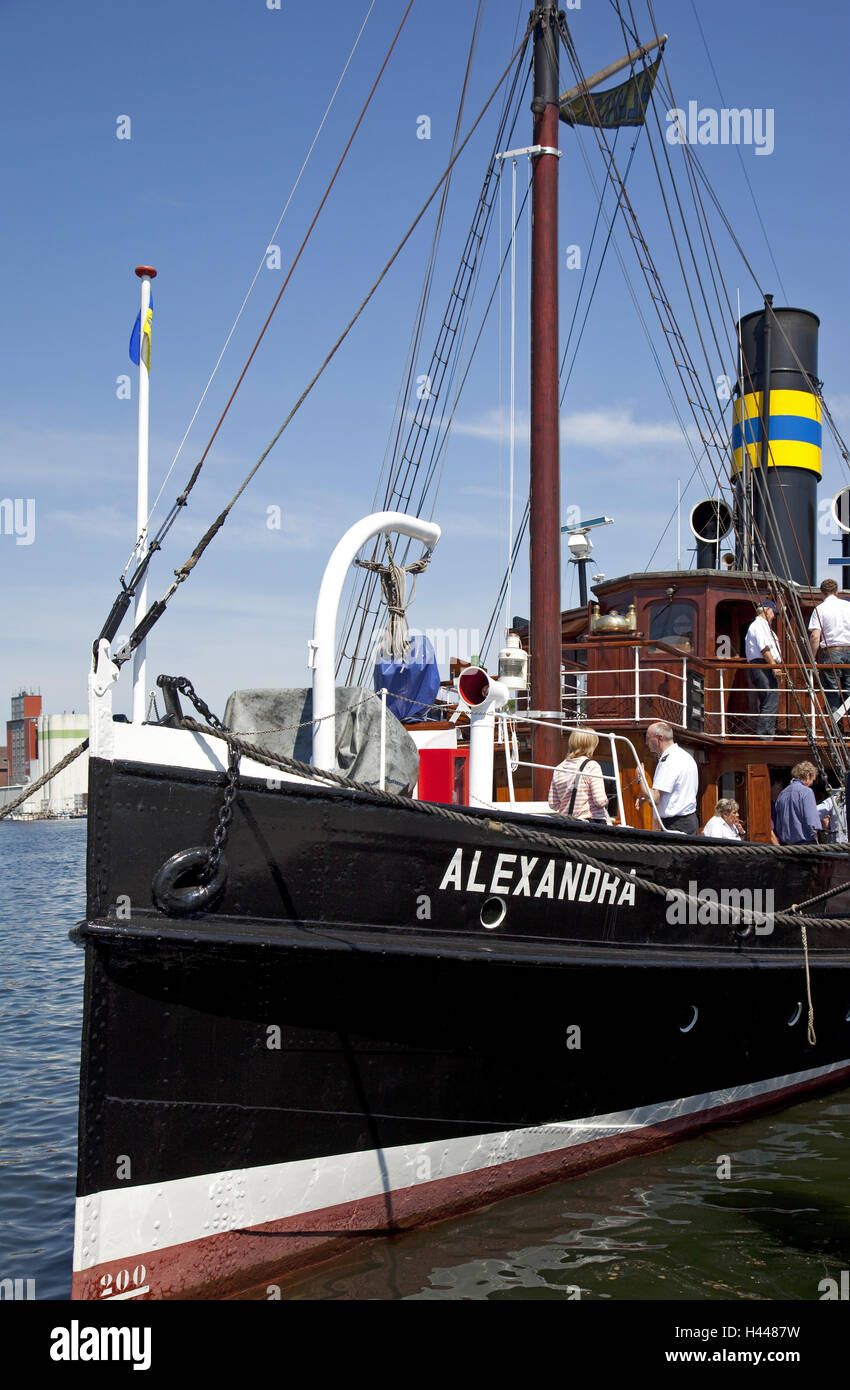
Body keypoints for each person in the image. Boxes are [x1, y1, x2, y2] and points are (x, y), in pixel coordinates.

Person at [636, 720, 699, 834]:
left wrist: (640, 778)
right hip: (689, 822)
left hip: (675, 825)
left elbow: (654, 799)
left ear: (659, 738)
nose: (646, 743)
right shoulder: (685, 756)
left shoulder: (668, 761)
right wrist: (646, 796)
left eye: (648, 738)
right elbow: (676, 793)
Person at [808, 578, 850, 725]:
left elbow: (815, 636)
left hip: (831, 654)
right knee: (849, 692)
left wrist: (812, 658)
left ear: (822, 593)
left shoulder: (820, 609)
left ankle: (837, 733)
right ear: (837, 591)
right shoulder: (848, 606)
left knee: (833, 693)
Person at [549, 729, 610, 821]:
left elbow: (553, 804)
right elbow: (600, 801)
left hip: (566, 824)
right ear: (590, 745)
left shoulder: (558, 768)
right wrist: (607, 801)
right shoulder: (592, 766)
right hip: (590, 823)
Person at [744, 598, 782, 738]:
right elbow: (764, 648)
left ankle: (766, 734)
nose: (774, 616)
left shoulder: (762, 626)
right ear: (767, 610)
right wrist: (774, 667)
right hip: (763, 664)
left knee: (769, 699)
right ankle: (765, 736)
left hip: (764, 664)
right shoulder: (759, 625)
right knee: (770, 699)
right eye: (774, 613)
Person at [773, 761, 821, 844]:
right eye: (812, 780)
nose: (812, 783)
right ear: (808, 775)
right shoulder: (807, 792)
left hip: (786, 846)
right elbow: (812, 822)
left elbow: (779, 826)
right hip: (805, 844)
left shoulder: (782, 794)